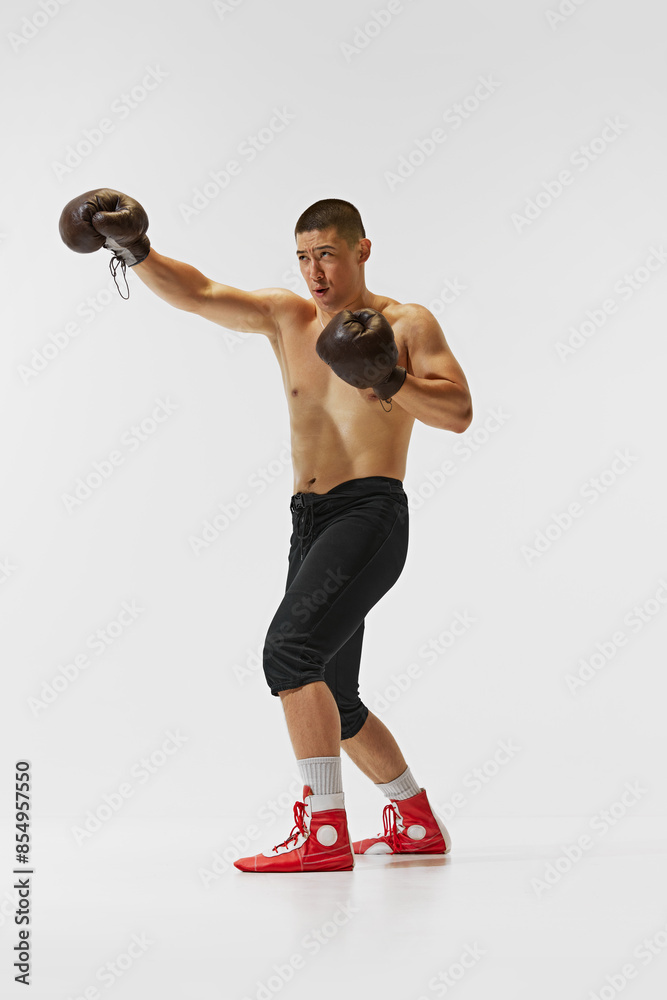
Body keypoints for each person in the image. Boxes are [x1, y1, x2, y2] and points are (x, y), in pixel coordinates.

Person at [59, 189, 473, 873]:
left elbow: (457, 411)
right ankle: (413, 819)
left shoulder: (405, 322)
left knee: (287, 657)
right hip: (309, 520)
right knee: (332, 697)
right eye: (305, 257)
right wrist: (134, 250)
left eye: (329, 256)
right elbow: (197, 293)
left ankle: (324, 831)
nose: (315, 272)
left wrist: (389, 375)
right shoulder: (288, 316)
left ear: (361, 250)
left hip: (369, 511)